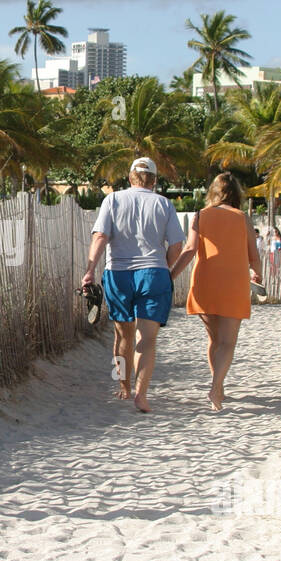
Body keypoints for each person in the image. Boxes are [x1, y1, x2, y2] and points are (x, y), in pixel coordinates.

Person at [81, 157, 185, 413]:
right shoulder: (164, 204)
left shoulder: (113, 200)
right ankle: (142, 394)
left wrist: (90, 270)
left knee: (122, 334)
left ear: (130, 178)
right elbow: (177, 246)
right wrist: (166, 269)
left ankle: (124, 386)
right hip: (153, 273)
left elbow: (101, 236)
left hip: (118, 273)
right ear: (154, 181)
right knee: (148, 339)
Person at [170, 172, 262, 412]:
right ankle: (216, 387)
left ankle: (218, 386)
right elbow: (254, 255)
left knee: (214, 339)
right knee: (228, 342)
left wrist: (170, 275)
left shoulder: (201, 215)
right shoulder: (243, 218)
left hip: (206, 280)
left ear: (214, 192)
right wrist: (257, 275)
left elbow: (190, 250)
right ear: (236, 193)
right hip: (234, 282)